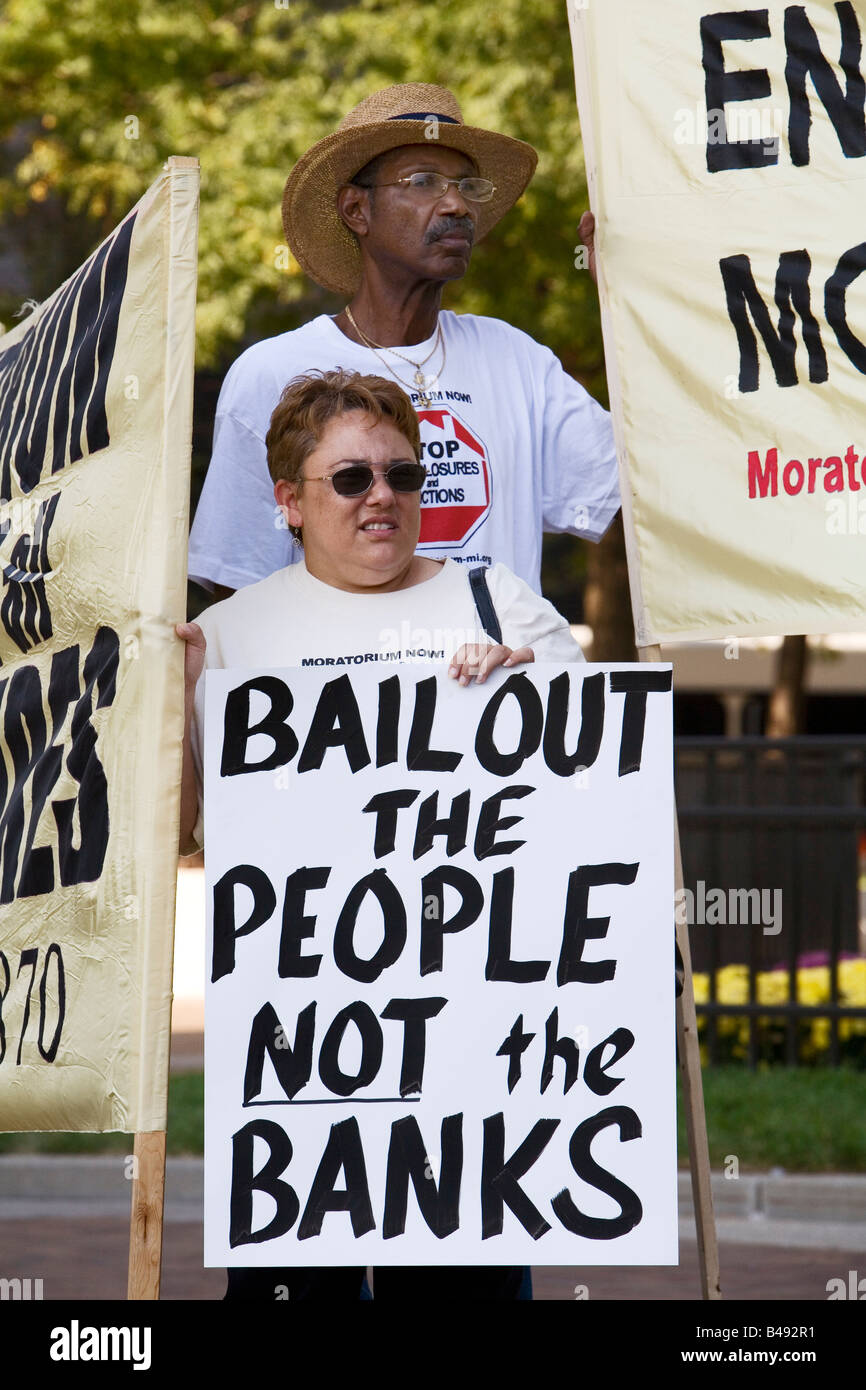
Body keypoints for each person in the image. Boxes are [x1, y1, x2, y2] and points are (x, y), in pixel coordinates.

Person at [177, 369, 584, 1301]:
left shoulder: (500, 605)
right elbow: (186, 836)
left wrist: (529, 691)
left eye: (404, 475)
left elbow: (590, 795)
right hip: (300, 1054)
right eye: (351, 479)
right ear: (288, 501)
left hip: (467, 1054)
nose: (384, 498)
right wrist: (176, 711)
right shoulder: (229, 636)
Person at [188, 82, 619, 600]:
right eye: (424, 182)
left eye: (467, 187)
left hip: (501, 680)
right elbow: (236, 582)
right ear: (356, 210)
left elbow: (642, 488)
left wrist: (628, 308)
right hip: (348, 682)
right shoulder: (273, 372)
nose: (458, 205)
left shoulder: (517, 360)